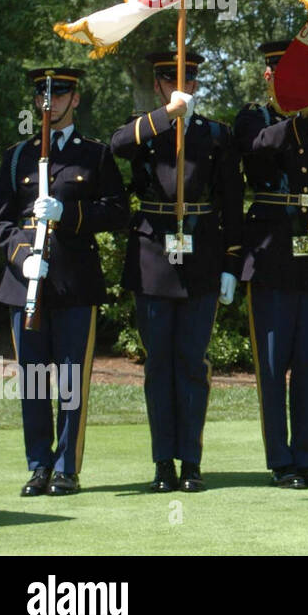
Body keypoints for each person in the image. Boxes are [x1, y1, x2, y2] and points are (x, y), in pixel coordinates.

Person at [0, 67, 127, 497]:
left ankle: (67, 467)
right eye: (42, 96)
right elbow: (0, 222)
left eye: (60, 94)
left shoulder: (95, 155)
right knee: (33, 381)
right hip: (26, 283)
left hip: (75, 282)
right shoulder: (18, 156)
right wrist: (23, 258)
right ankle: (39, 466)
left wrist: (69, 214)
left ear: (76, 99)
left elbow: (117, 212)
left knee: (71, 380)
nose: (49, 103)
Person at [110, 51, 243, 492]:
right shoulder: (145, 129)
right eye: (170, 81)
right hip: (153, 256)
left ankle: (191, 460)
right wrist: (167, 115)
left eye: (186, 81)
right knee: (158, 365)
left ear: (197, 84)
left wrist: (231, 263)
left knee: (192, 363)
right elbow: (116, 145)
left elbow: (231, 201)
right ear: (158, 86)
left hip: (201, 255)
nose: (179, 87)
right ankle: (162, 461)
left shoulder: (217, 134)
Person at [234, 41, 308, 488]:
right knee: (271, 365)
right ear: (268, 76)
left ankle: (306, 459)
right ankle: (280, 461)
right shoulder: (254, 117)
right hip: (270, 256)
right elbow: (258, 147)